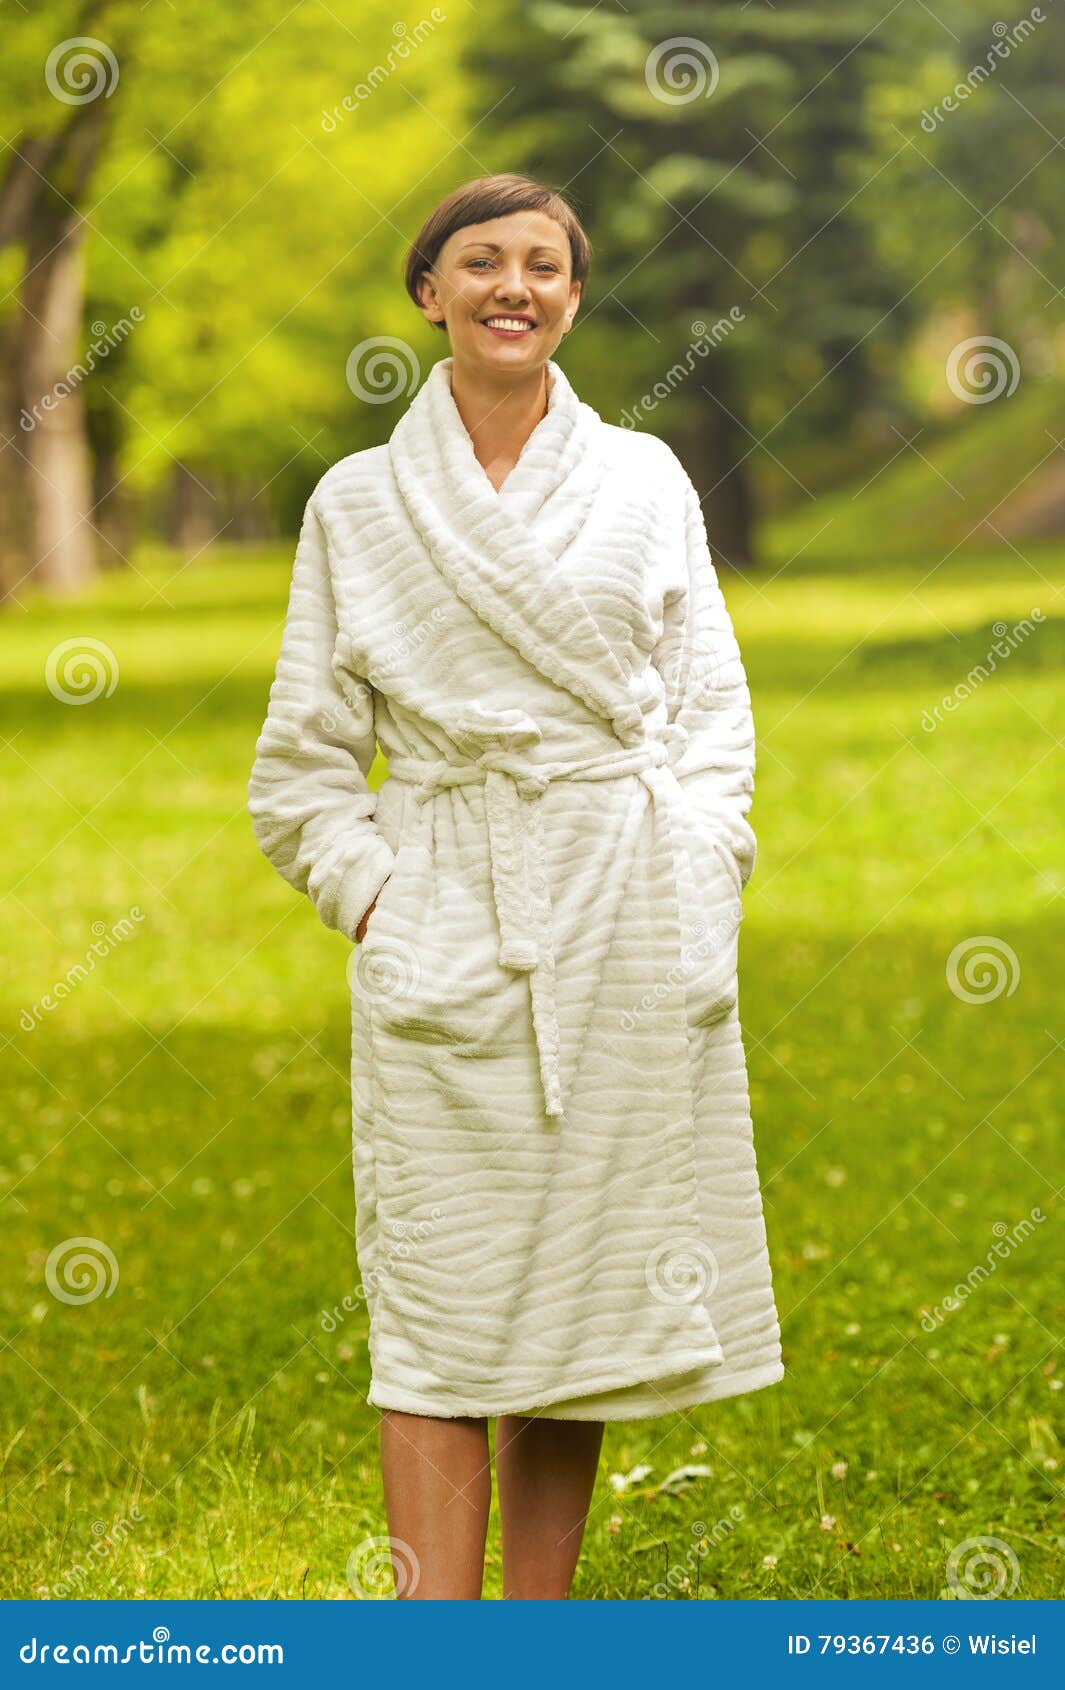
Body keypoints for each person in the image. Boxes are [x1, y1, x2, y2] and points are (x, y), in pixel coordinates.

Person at [248, 172, 783, 1600]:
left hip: (621, 911)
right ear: (429, 293)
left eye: (544, 264)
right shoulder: (361, 503)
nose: (514, 287)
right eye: (481, 261)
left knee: (583, 1299)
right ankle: (437, 1636)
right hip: (446, 911)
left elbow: (709, 714)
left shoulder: (644, 480)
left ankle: (537, 1636)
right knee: (439, 1298)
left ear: (574, 297)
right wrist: (381, 899)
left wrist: (697, 871)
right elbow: (301, 769)